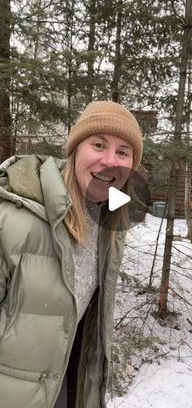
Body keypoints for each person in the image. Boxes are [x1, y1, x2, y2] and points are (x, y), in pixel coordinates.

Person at [0, 100, 143, 408]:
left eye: (122, 152)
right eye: (98, 144)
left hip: (65, 387)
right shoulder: (13, 218)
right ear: (75, 149)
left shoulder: (109, 229)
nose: (109, 161)